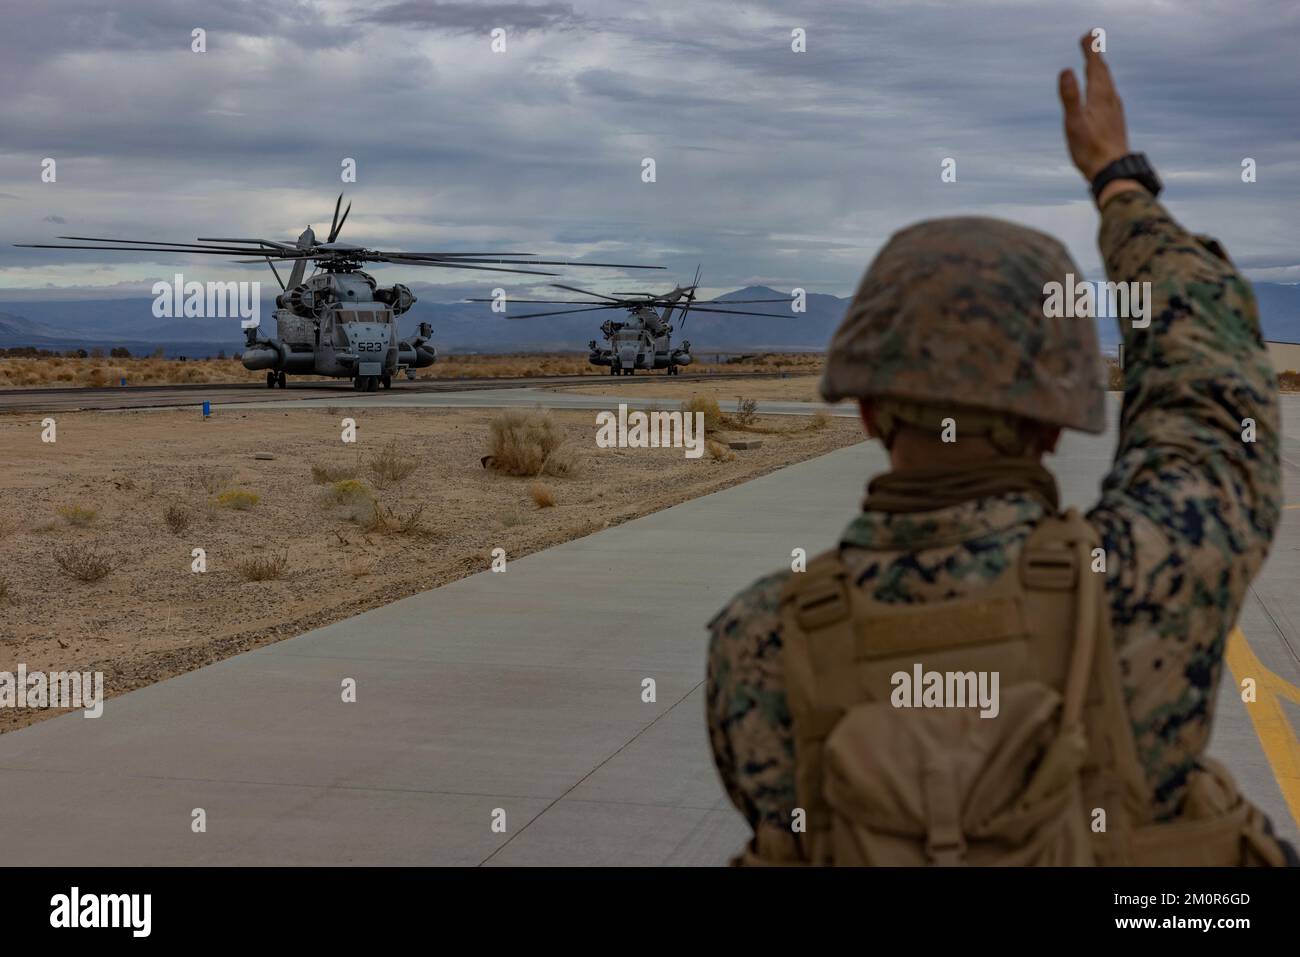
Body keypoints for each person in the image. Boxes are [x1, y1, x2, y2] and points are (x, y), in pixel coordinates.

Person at [705, 34, 1294, 866]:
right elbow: (1210, 386)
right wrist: (1118, 180)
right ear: (1054, 423)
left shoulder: (757, 644)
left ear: (869, 411)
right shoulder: (1145, 578)